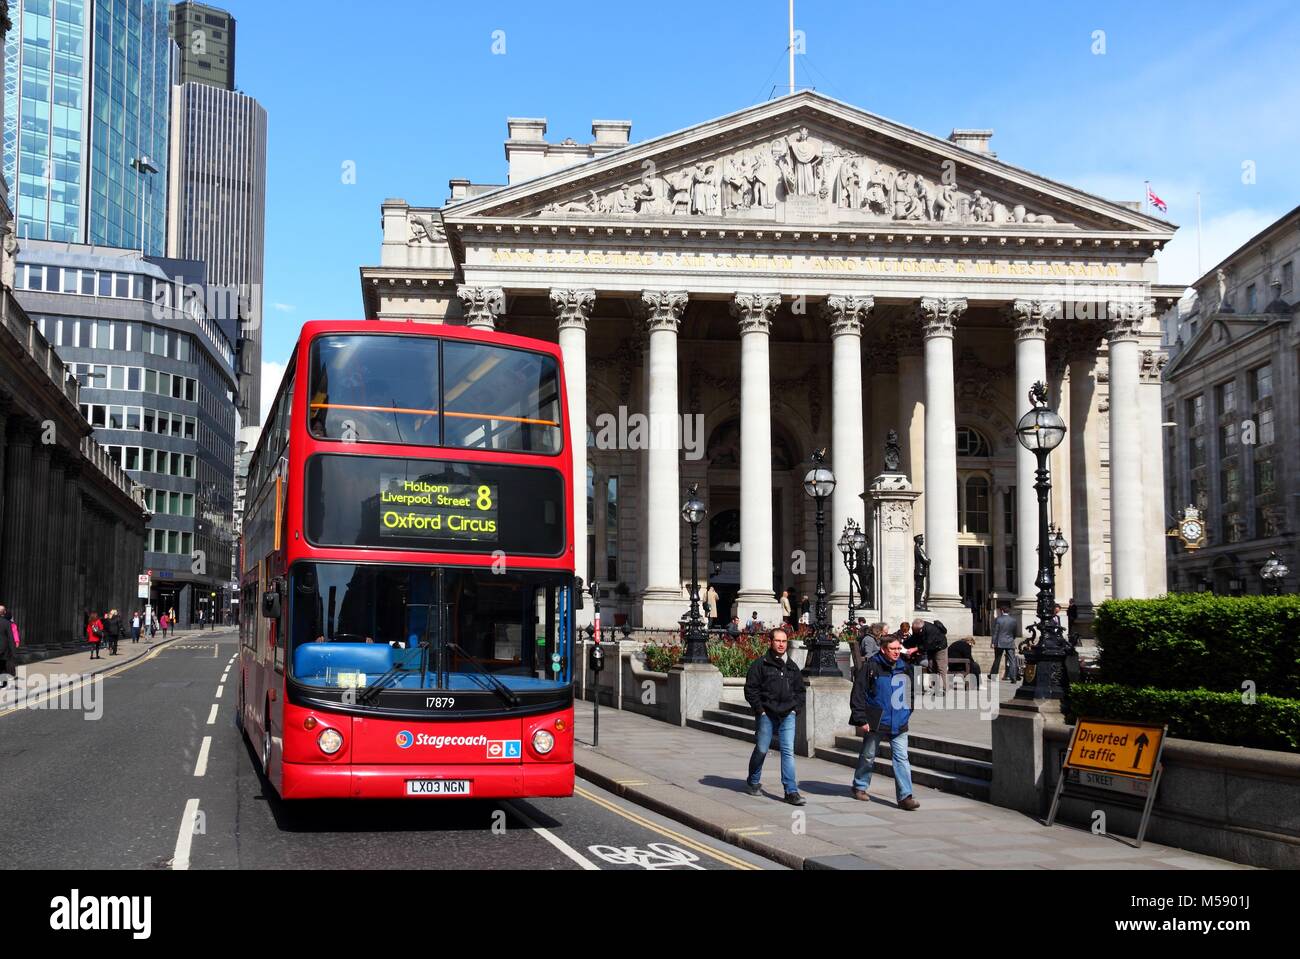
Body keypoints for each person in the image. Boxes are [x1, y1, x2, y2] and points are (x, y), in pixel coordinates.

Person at [849, 635, 920, 810]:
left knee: (902, 758)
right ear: (883, 649)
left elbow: (911, 692)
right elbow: (858, 692)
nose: (897, 652)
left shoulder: (905, 667)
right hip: (876, 719)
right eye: (893, 649)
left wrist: (907, 711)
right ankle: (860, 786)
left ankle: (905, 796)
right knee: (868, 755)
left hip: (899, 720)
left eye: (898, 649)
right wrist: (861, 719)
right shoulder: (871, 666)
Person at [743, 627, 806, 805]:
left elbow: (800, 691)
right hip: (767, 713)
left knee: (788, 751)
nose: (781, 644)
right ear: (770, 642)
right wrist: (760, 710)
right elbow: (751, 689)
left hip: (788, 714)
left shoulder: (792, 667)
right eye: (777, 641)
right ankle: (753, 781)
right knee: (762, 749)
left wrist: (795, 709)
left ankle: (791, 791)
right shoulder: (760, 664)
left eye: (784, 641)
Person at [910, 618, 949, 688]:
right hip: (931, 649)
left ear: (920, 629)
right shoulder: (917, 628)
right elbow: (914, 638)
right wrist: (904, 645)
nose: (913, 631)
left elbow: (927, 644)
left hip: (940, 648)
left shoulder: (931, 630)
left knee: (941, 667)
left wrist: (916, 649)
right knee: (931, 666)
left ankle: (943, 688)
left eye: (914, 630)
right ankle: (934, 686)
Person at [989, 604, 1020, 681]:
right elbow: (1015, 632)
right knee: (1012, 660)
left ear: (1001, 611)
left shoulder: (998, 619)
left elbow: (995, 632)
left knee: (997, 659)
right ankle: (1013, 677)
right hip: (1010, 641)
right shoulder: (1013, 620)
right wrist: (1012, 638)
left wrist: (993, 642)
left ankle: (993, 676)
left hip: (999, 642)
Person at [0, 604, 16, 689]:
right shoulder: (7, 623)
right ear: (4, 612)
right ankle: (3, 683)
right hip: (4, 649)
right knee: (3, 665)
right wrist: (13, 652)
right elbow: (10, 637)